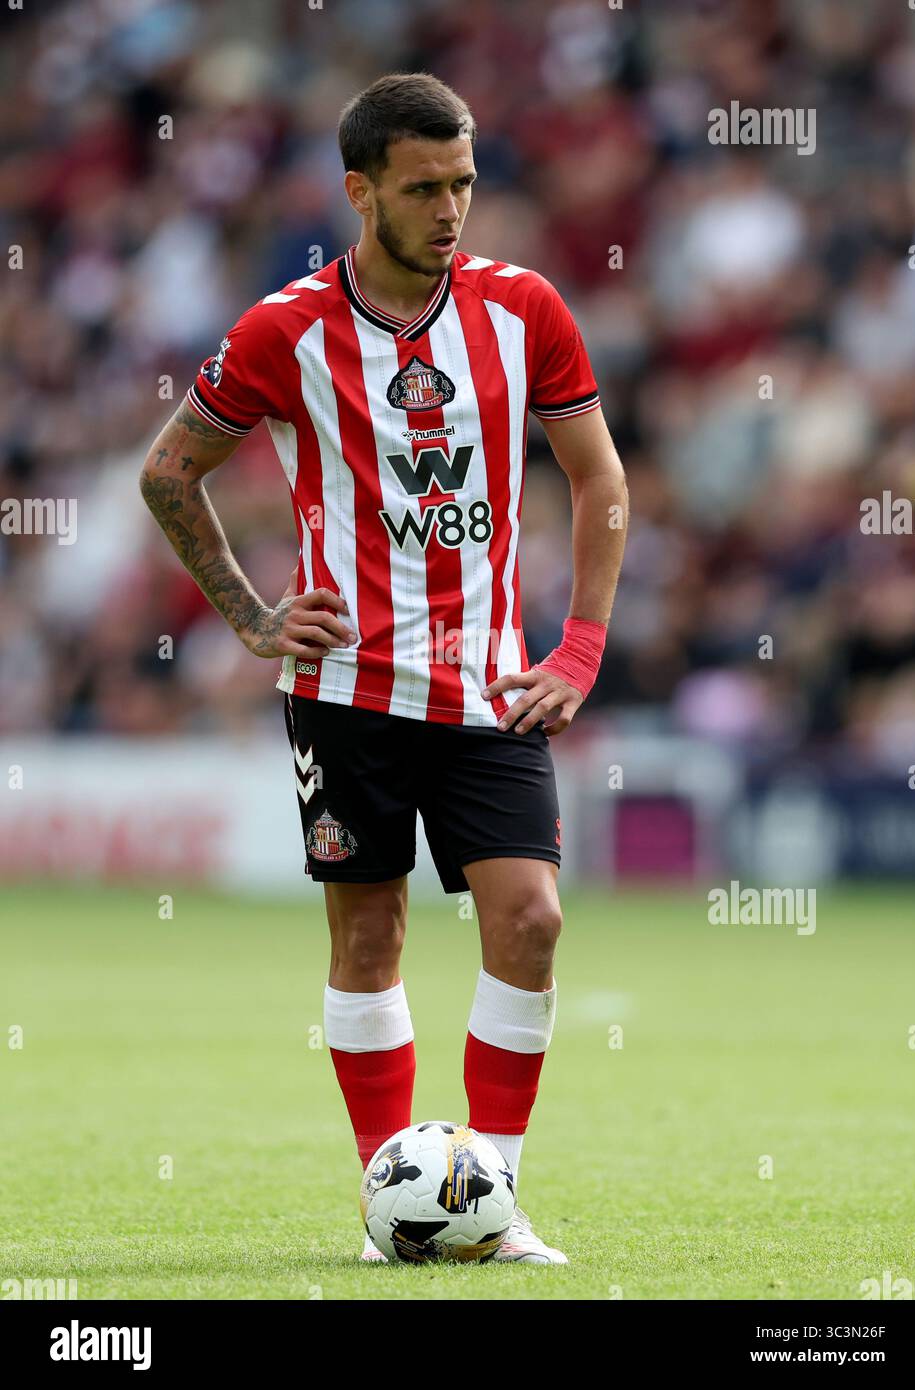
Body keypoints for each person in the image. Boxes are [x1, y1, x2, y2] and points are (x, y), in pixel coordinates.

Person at [140, 72, 628, 1264]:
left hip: (487, 686)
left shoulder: (526, 311)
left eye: (463, 183)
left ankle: (489, 1205)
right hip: (345, 693)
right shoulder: (283, 330)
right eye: (423, 188)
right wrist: (254, 618)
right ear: (359, 191)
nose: (451, 208)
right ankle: (388, 1208)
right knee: (369, 945)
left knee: (532, 919)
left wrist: (576, 645)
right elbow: (167, 473)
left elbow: (601, 483)